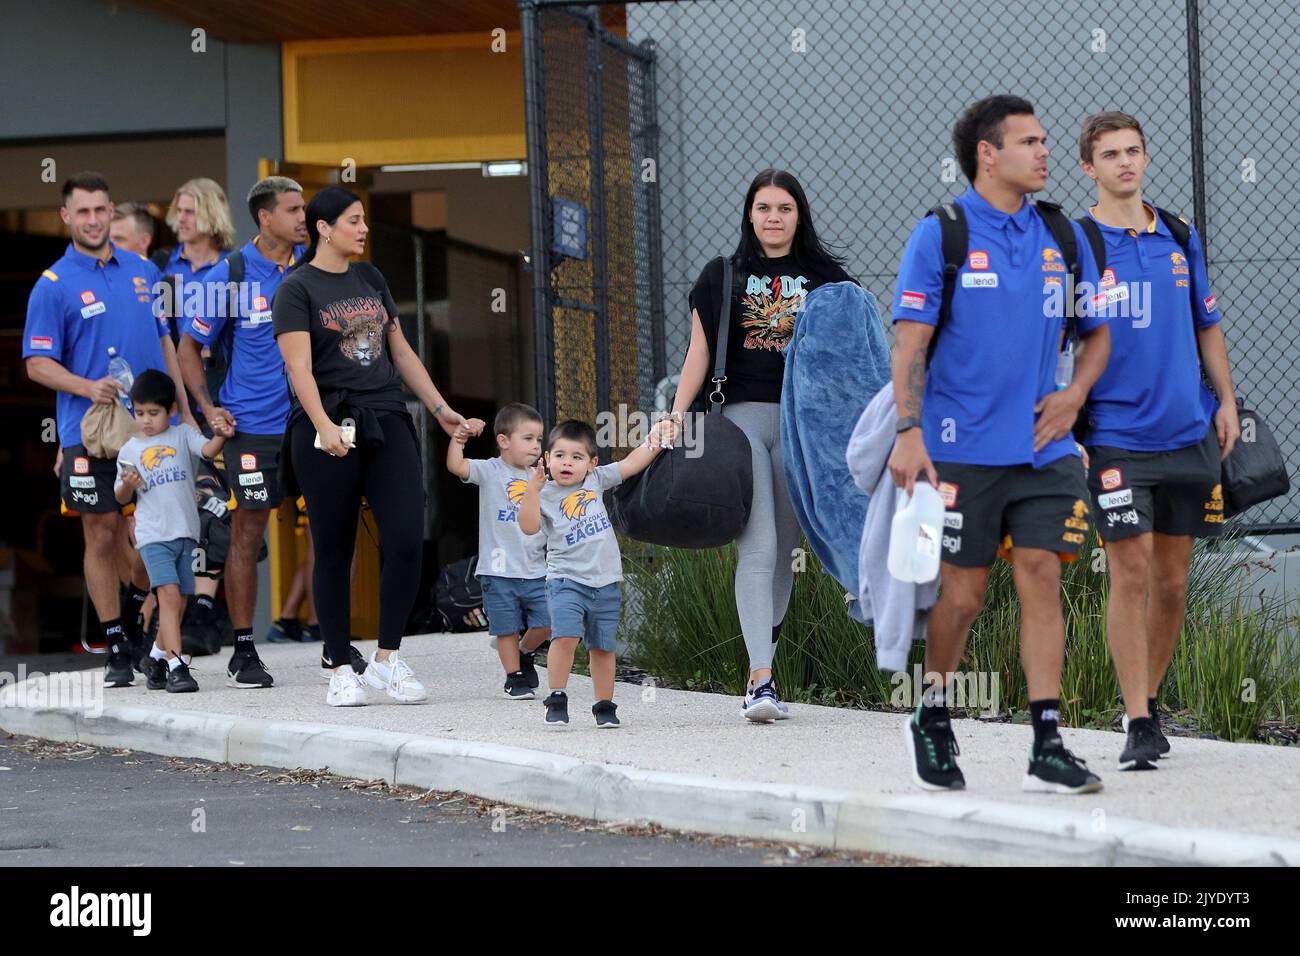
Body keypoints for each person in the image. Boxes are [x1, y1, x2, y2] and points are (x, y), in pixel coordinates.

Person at [888, 96, 1111, 794]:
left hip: (1043, 448)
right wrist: (907, 429)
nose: (1045, 152)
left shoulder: (1065, 237)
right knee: (963, 595)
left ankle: (1047, 741)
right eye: (1030, 141)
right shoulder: (943, 234)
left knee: (1042, 574)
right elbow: (910, 346)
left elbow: (1096, 333)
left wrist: (1074, 398)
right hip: (959, 447)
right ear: (988, 153)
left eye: (1046, 140)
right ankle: (932, 711)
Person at [273, 186, 484, 707]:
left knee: (407, 538)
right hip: (326, 426)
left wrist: (439, 409)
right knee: (334, 546)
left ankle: (387, 659)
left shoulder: (371, 279)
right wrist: (322, 423)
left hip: (387, 418)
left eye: (363, 220)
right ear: (324, 228)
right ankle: (341, 663)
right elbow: (298, 366)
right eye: (354, 221)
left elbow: (401, 350)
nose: (363, 228)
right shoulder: (296, 289)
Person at [1076, 111, 1239, 770]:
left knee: (1172, 583)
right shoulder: (1076, 243)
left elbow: (1207, 325)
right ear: (1089, 167)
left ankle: (1147, 698)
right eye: (1110, 154)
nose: (1124, 163)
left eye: (1134, 151)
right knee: (1132, 570)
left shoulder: (1178, 234)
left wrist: (1226, 401)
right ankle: (1139, 721)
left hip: (1187, 434)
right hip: (1115, 439)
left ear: (1145, 158)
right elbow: (1051, 340)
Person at [670, 168, 855, 722]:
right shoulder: (722, 275)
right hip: (739, 421)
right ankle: (760, 680)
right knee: (758, 542)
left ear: (800, 216)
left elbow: (849, 358)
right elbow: (698, 354)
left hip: (802, 426)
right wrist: (675, 419)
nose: (773, 217)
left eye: (784, 208)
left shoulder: (827, 279)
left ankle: (763, 667)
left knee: (782, 555)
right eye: (763, 207)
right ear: (749, 214)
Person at [23, 172, 193, 686]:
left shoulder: (145, 269)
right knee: (99, 534)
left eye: (102, 210)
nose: (94, 219)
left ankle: (139, 611)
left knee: (150, 538)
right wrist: (84, 385)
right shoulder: (52, 285)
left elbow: (168, 345)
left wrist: (185, 416)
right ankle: (117, 643)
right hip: (89, 430)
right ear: (66, 217)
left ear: (111, 212)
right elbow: (36, 363)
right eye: (84, 211)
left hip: (153, 433)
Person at [179, 176, 309, 688]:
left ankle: (337, 646)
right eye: (293, 210)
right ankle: (244, 648)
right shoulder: (228, 274)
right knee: (249, 531)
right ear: (265, 217)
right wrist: (209, 408)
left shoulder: (314, 267)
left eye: (306, 209)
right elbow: (190, 346)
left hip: (312, 424)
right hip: (251, 428)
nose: (304, 218)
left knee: (330, 523)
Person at [518, 416, 677, 728]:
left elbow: (632, 462)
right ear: (547, 459)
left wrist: (656, 437)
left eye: (576, 457)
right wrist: (533, 490)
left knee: (603, 647)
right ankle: (557, 696)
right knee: (565, 638)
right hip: (566, 581)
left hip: (605, 583)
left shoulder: (596, 480)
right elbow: (528, 526)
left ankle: (604, 704)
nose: (567, 463)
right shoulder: (544, 492)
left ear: (591, 463)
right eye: (560, 456)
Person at [114, 370, 233, 693]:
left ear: (171, 411)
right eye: (140, 413)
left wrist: (222, 433)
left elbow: (208, 451)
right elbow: (120, 496)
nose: (146, 420)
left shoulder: (182, 435)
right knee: (166, 595)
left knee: (179, 601)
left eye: (154, 413)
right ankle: (178, 665)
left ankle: (154, 657)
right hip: (153, 536)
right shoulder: (130, 450)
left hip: (186, 534)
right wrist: (128, 484)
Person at [447, 402, 552, 699]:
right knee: (505, 627)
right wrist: (459, 439)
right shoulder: (491, 470)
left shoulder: (540, 477)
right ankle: (514, 676)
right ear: (504, 441)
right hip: (498, 569)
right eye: (528, 438)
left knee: (546, 622)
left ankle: (525, 651)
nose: (535, 446)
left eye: (539, 439)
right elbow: (456, 466)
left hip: (535, 568)